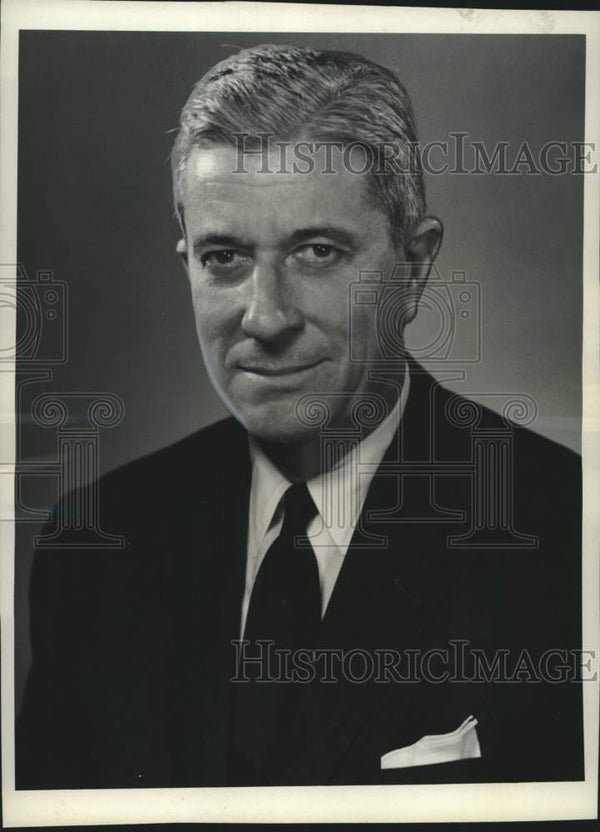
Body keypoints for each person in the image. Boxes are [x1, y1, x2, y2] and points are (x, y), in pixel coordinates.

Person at [17, 43, 583, 789]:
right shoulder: (94, 547)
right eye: (224, 258)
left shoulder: (570, 536)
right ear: (186, 262)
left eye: (317, 251)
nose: (266, 315)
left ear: (414, 268)